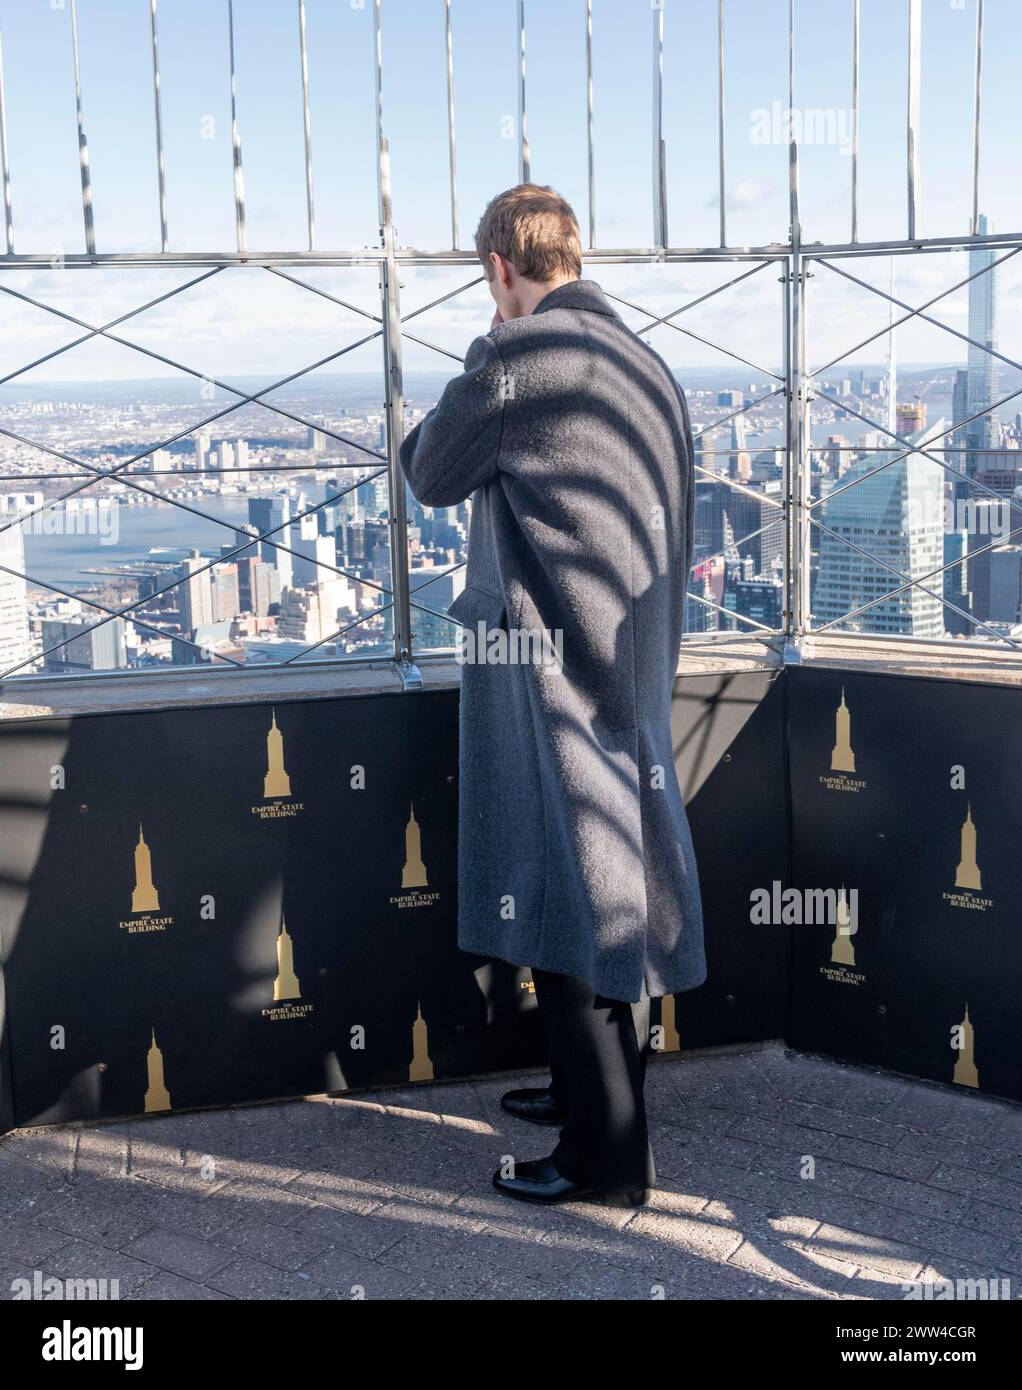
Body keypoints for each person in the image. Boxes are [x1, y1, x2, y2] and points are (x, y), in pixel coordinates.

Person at [400, 184, 705, 1207]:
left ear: (498, 267)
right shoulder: (647, 363)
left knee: (571, 892)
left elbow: (428, 471)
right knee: (606, 883)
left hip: (548, 674)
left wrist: (486, 347)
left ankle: (605, 1156)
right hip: (632, 661)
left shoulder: (513, 359)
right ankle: (582, 1092)